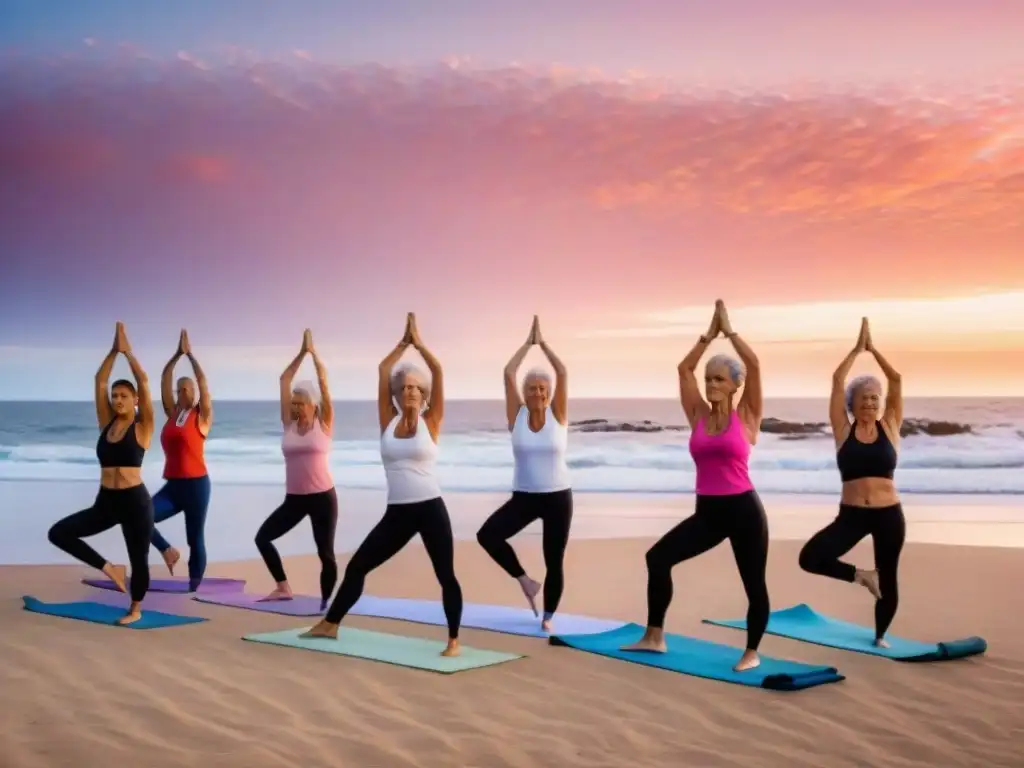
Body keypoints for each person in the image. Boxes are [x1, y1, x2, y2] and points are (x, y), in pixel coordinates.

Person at [302, 313, 463, 657]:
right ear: (396, 395)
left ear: (423, 394)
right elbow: (382, 369)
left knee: (445, 574)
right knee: (358, 566)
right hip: (397, 513)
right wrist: (402, 344)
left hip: (431, 508)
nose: (409, 391)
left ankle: (453, 640)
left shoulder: (432, 421)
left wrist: (419, 343)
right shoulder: (387, 421)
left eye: (414, 388)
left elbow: (438, 371)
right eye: (403, 388)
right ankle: (330, 625)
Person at [622, 300, 769, 672]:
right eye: (709, 379)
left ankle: (751, 651)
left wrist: (729, 332)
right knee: (658, 558)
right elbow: (683, 369)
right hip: (708, 512)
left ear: (735, 386)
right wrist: (707, 336)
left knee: (753, 584)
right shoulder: (698, 414)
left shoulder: (746, 415)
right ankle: (654, 636)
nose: (712, 385)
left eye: (720, 379)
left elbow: (753, 365)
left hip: (744, 510)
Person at [798, 317, 905, 647]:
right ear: (852, 403)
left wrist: (875, 351)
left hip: (889, 514)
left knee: (889, 576)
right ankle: (861, 576)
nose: (870, 403)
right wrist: (857, 350)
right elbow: (837, 380)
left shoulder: (890, 426)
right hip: (852, 515)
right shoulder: (844, 430)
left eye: (874, 398)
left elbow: (896, 380)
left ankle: (880, 636)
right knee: (810, 558)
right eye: (864, 398)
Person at [47, 322, 155, 625]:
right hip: (106, 502)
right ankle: (109, 568)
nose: (118, 399)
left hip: (135, 503)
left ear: (135, 400)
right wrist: (112, 351)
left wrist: (128, 353)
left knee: (139, 559)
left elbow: (144, 382)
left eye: (124, 396)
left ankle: (135, 608)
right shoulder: (106, 423)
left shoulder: (143, 427)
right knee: (59, 533)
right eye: (115, 396)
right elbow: (100, 380)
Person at [477, 315, 572, 632]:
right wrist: (528, 344)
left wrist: (543, 344)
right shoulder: (516, 416)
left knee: (554, 559)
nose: (538, 393)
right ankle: (524, 580)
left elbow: (562, 372)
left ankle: (548, 617)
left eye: (543, 388)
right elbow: (508, 372)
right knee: (488, 535)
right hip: (524, 497)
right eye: (532, 388)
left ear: (549, 392)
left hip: (558, 497)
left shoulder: (558, 415)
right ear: (525, 392)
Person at [254, 329, 339, 611]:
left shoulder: (323, 422)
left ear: (313, 406)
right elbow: (284, 379)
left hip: (323, 497)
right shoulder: (288, 424)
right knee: (263, 538)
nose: (296, 408)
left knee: (325, 553)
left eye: (300, 404)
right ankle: (283, 587)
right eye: (293, 404)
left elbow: (324, 384)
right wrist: (301, 353)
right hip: (294, 499)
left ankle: (326, 604)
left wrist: (313, 355)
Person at [149, 329, 213, 591]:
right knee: (139, 516)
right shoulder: (172, 413)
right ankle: (167, 550)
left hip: (197, 486)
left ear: (194, 391)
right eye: (180, 388)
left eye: (188, 388)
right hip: (173, 487)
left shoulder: (202, 416)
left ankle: (194, 587)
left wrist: (192, 357)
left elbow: (204, 383)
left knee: (194, 538)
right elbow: (164, 379)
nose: (184, 391)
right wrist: (177, 355)